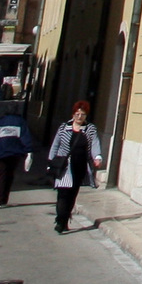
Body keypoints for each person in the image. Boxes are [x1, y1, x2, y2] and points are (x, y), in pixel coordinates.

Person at [45, 99, 105, 233]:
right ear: (73, 114)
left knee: (72, 195)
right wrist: (50, 162)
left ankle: (64, 220)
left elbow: (94, 144)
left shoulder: (90, 129)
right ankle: (60, 220)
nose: (79, 117)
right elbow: (55, 145)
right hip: (64, 166)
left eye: (82, 114)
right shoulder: (63, 127)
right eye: (77, 114)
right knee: (63, 193)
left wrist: (97, 157)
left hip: (79, 166)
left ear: (86, 115)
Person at [0, 106, 34, 208]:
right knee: (9, 175)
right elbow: (25, 137)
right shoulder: (20, 122)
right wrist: (29, 150)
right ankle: (4, 200)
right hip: (14, 154)